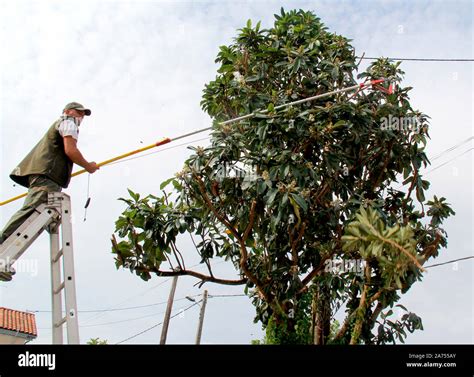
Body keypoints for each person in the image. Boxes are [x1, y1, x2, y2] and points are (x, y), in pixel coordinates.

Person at [0, 102, 99, 281]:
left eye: (82, 116)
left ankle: (5, 258)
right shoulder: (68, 122)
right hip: (46, 176)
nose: (81, 118)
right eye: (79, 113)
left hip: (48, 178)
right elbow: (71, 150)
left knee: (39, 218)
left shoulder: (65, 123)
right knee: (31, 212)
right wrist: (88, 166)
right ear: (68, 112)